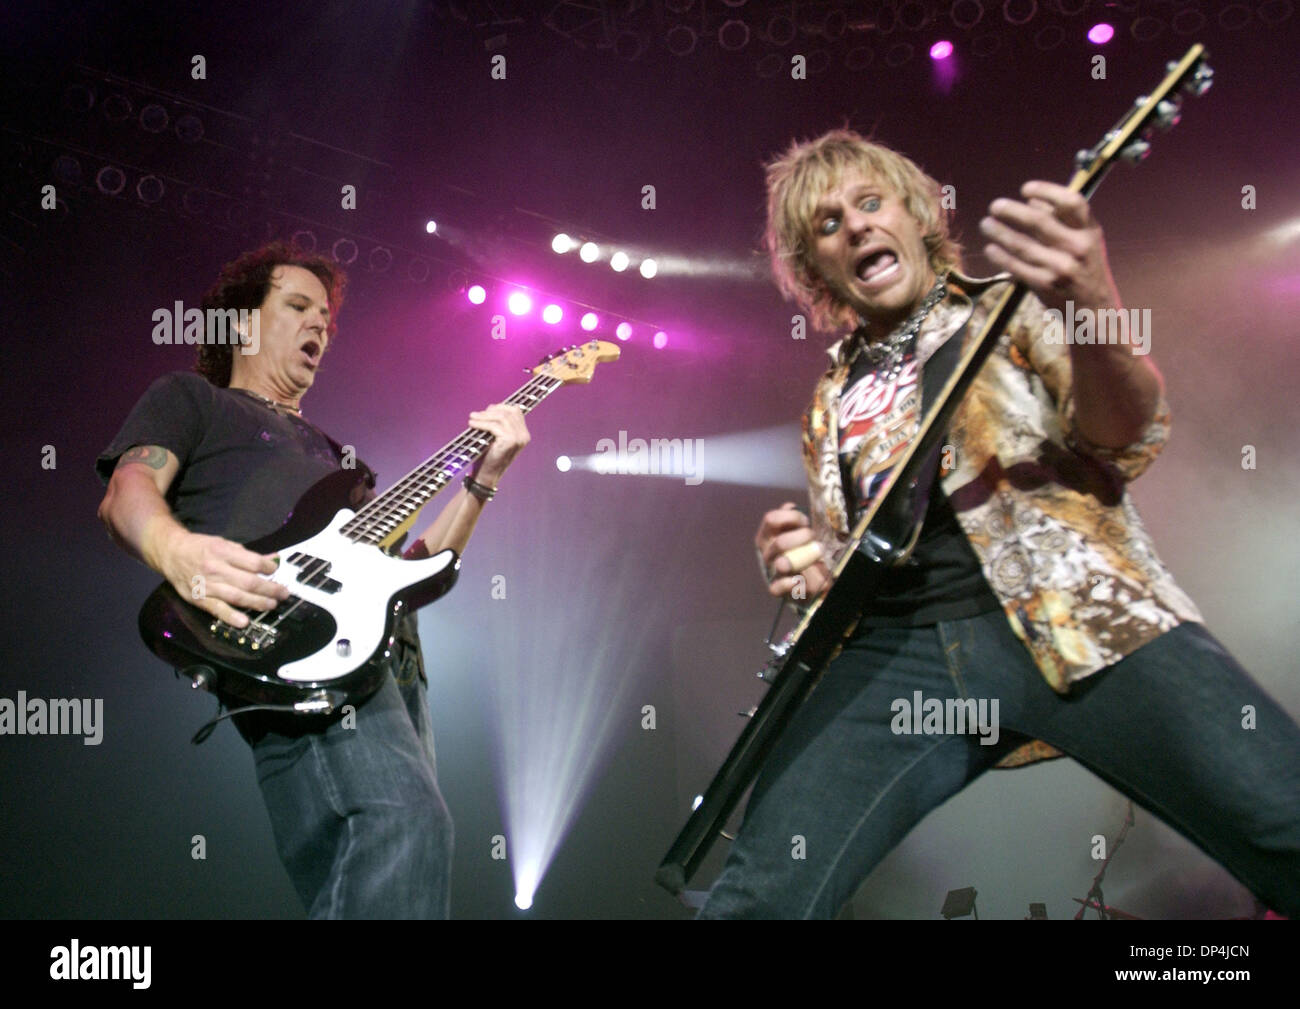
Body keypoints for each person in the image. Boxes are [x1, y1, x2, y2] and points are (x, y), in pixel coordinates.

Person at [698, 130, 1300, 919]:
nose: (857, 227)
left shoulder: (1004, 312)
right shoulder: (828, 401)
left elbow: (1124, 438)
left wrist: (1091, 299)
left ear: (917, 217)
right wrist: (812, 570)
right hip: (899, 656)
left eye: (870, 203)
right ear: (817, 268)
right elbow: (856, 558)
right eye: (828, 224)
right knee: (756, 897)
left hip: (1073, 614)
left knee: (1283, 821)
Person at [95, 242, 530, 918]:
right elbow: (126, 491)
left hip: (388, 666)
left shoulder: (337, 460)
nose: (319, 329)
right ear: (241, 325)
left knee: (396, 858)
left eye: (325, 320)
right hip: (296, 644)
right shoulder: (193, 399)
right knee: (401, 823)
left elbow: (417, 568)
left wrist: (483, 480)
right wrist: (177, 551)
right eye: (297, 307)